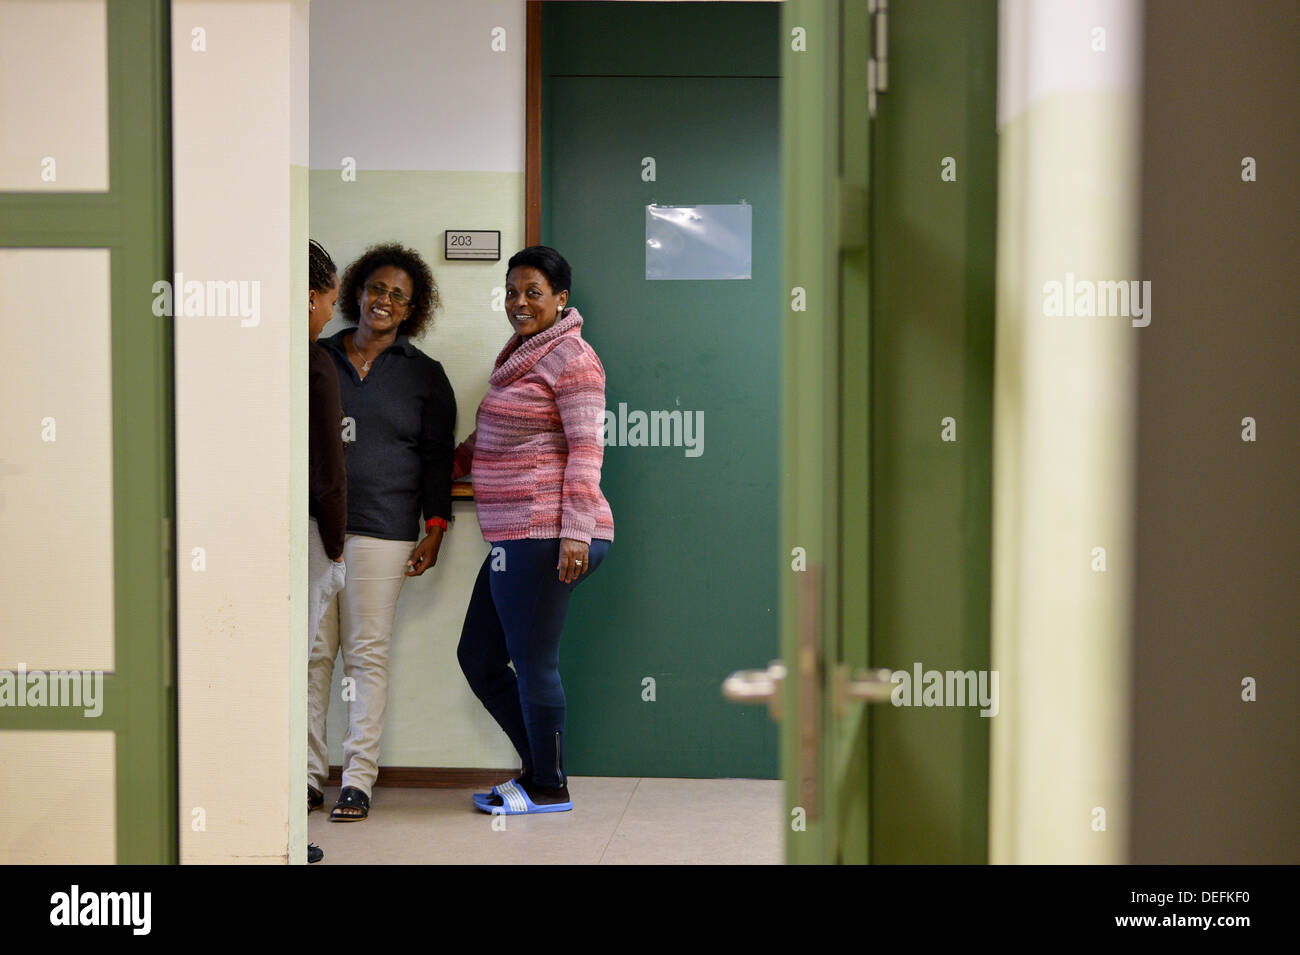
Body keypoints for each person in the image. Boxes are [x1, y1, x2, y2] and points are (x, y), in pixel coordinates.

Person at [454, 246, 614, 815]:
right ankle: (540, 772)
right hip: (515, 536)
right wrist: (455, 462)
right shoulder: (522, 356)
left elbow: (586, 448)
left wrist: (575, 530)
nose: (520, 302)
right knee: (479, 656)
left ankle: (549, 787)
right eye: (513, 291)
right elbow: (502, 436)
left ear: (561, 299)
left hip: (548, 532)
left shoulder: (573, 358)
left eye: (534, 293)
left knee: (533, 661)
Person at [309, 242, 457, 821]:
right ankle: (307, 775)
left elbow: (437, 458)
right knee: (315, 655)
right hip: (316, 528)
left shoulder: (426, 377)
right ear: (356, 292)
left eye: (399, 295)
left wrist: (437, 526)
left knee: (366, 657)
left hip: (387, 530)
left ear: (411, 308)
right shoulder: (314, 356)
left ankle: (359, 780)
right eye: (377, 289)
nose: (385, 301)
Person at [306, 239, 345, 863]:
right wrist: (336, 548)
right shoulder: (315, 363)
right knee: (299, 661)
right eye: (331, 303)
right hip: (308, 534)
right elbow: (329, 472)